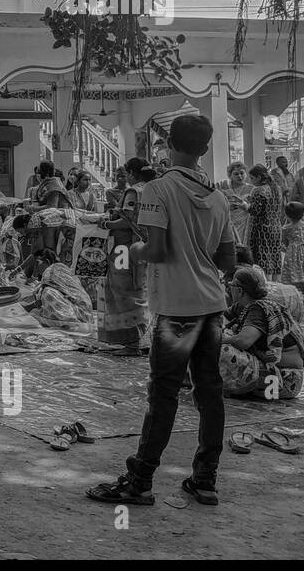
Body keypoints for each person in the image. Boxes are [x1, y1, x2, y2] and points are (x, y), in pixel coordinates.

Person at [87, 114, 236, 508]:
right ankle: (205, 478)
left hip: (176, 309)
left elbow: (156, 250)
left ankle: (140, 481)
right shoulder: (219, 197)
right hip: (212, 306)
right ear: (204, 149)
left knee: (163, 394)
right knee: (210, 392)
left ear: (168, 145)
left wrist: (135, 250)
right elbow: (227, 259)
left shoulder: (158, 188)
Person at [220, 267, 304, 400]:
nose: (229, 288)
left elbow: (244, 341)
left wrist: (216, 340)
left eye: (231, 285)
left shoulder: (258, 309)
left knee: (221, 349)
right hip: (272, 374)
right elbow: (218, 322)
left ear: (239, 290)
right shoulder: (241, 306)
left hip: (287, 379)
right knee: (210, 338)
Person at [100, 157, 156, 353]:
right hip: (147, 246)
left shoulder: (134, 191)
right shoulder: (153, 188)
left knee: (124, 290)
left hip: (125, 248)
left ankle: (132, 342)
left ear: (132, 173)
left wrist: (105, 224)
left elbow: (127, 221)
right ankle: (144, 339)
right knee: (141, 290)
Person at [26, 160, 76, 268]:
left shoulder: (54, 185)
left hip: (58, 222)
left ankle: (52, 275)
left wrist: (33, 209)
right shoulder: (48, 183)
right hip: (51, 221)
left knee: (51, 252)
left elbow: (51, 207)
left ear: (44, 172)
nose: (37, 174)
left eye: (39, 171)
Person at [246, 164, 283, 278]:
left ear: (258, 178)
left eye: (251, 178)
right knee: (274, 258)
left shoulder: (258, 190)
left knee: (262, 259)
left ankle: (266, 289)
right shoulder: (276, 188)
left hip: (261, 230)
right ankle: (275, 287)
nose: (250, 181)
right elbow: (269, 206)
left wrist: (245, 206)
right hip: (275, 227)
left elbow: (255, 210)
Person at [221, 161, 253, 245]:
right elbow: (217, 205)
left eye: (242, 173)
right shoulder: (224, 189)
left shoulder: (252, 189)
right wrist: (227, 206)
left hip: (246, 223)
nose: (239, 176)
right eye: (236, 174)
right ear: (230, 175)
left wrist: (246, 206)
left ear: (246, 174)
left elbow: (255, 208)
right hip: (229, 222)